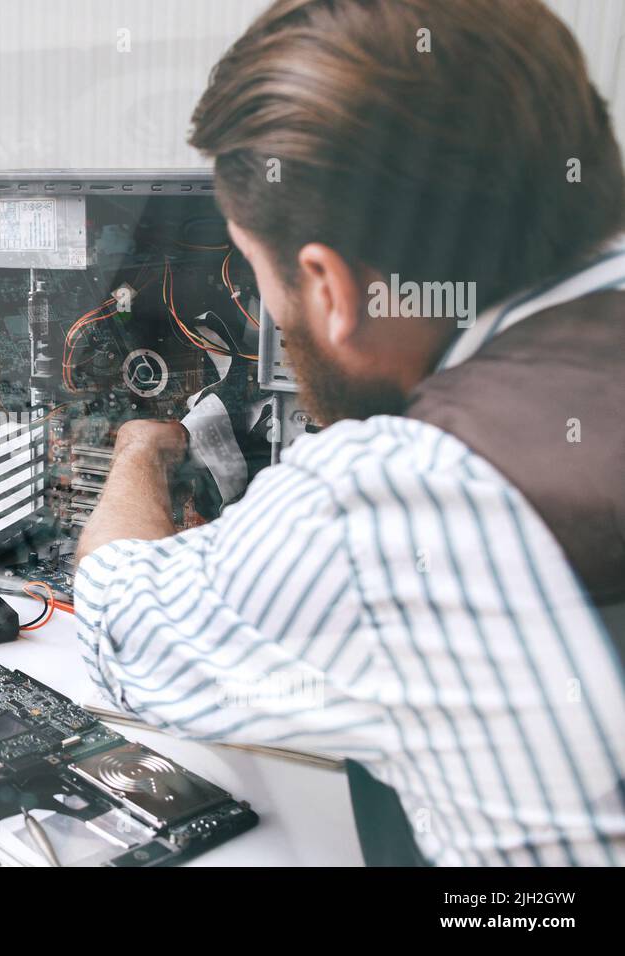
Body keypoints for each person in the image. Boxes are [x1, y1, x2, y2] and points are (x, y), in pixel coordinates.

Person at [74, 0, 625, 866]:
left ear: (328, 288)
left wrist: (140, 447)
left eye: (267, 285)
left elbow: (120, 623)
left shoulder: (396, 497)